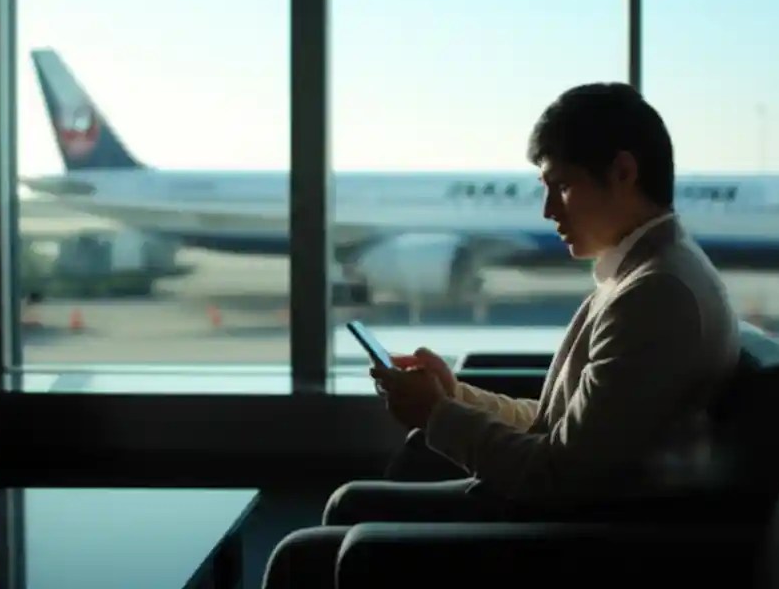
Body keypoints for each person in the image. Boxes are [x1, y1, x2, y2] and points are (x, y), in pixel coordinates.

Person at [262, 83, 742, 587]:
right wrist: (455, 397)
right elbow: (559, 427)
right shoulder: (650, 273)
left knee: (301, 559)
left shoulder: (656, 294)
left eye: (562, 186)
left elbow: (560, 477)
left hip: (570, 541)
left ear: (623, 173)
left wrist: (436, 415)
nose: (548, 210)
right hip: (575, 512)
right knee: (346, 506)